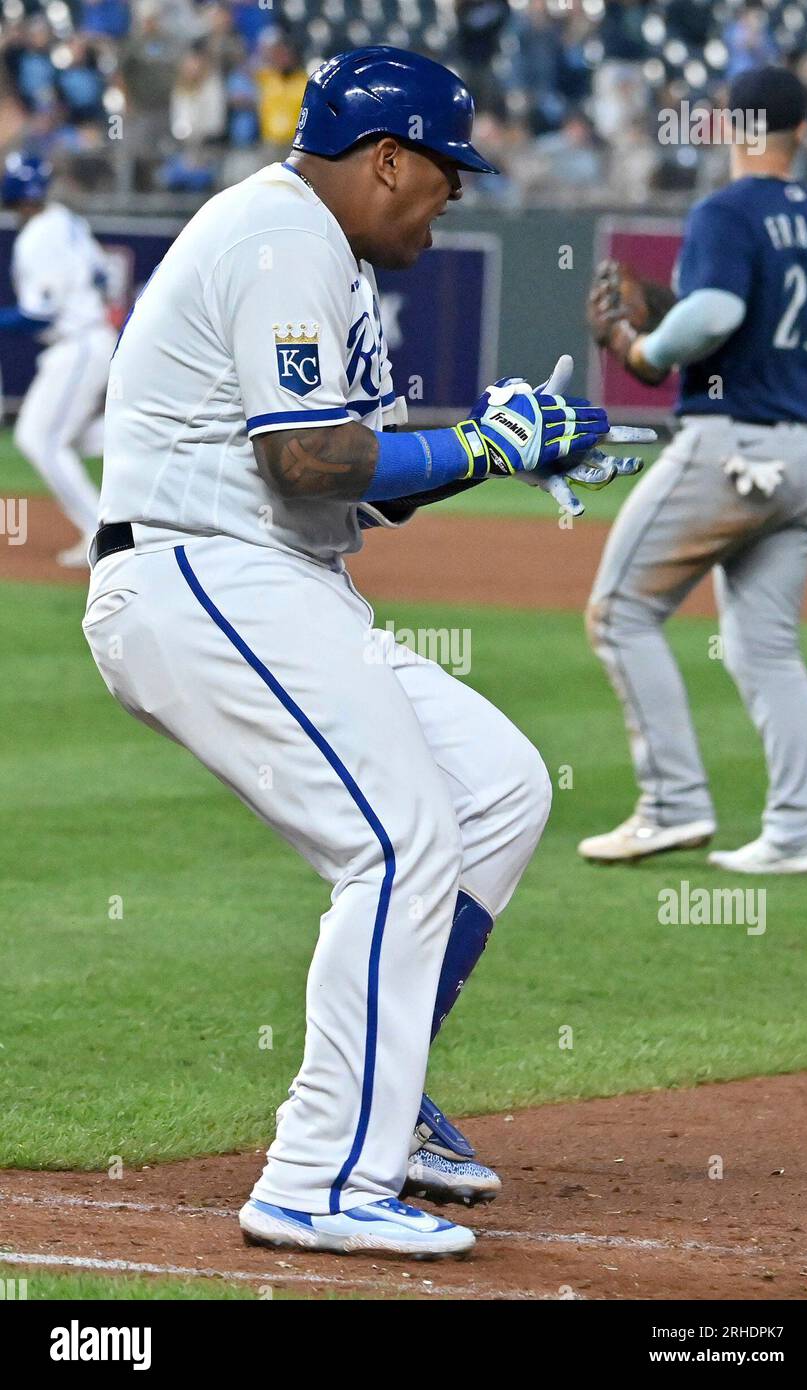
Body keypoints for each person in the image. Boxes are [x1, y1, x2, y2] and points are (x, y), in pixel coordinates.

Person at [83, 47, 638, 1259]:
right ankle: (318, 1177)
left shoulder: (323, 252)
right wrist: (483, 447)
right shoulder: (280, 234)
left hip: (274, 577)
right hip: (197, 569)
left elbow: (363, 486)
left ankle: (388, 1104)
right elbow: (305, 462)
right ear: (386, 159)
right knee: (397, 838)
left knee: (498, 787)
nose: (454, 195)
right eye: (445, 171)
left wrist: (501, 443)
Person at [582, 66, 807, 875]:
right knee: (767, 648)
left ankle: (672, 805)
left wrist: (644, 349)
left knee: (620, 611)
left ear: (728, 125)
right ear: (801, 129)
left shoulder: (727, 209)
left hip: (732, 447)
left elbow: (719, 312)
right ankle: (802, 828)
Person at [0, 153, 115, 566]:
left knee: (40, 439)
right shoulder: (65, 219)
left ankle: (102, 537)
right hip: (90, 338)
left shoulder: (37, 236)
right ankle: (143, 435)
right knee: (63, 437)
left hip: (78, 344)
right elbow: (103, 276)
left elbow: (40, 314)